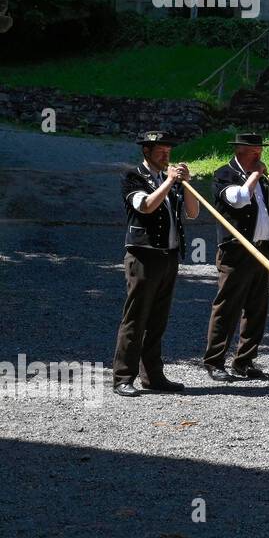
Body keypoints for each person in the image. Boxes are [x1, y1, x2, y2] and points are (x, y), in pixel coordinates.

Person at [111, 130, 199, 397]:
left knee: (158, 319)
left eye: (168, 151)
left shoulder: (169, 180)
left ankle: (153, 376)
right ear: (146, 152)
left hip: (169, 255)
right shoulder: (133, 176)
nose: (166, 155)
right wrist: (169, 182)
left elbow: (193, 213)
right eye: (160, 151)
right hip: (143, 255)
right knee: (136, 318)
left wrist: (187, 184)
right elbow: (146, 205)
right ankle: (123, 377)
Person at [202, 133, 269, 382]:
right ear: (240, 151)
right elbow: (239, 200)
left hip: (263, 250)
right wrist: (255, 175)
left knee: (257, 308)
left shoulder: (262, 179)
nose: (259, 156)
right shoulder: (224, 174)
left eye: (260, 151)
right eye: (254, 152)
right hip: (236, 250)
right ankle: (215, 361)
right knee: (227, 307)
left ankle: (245, 361)